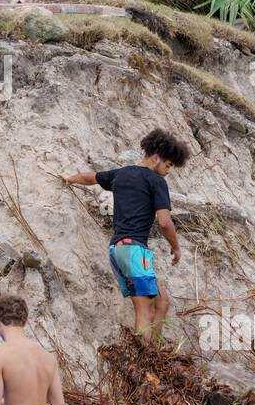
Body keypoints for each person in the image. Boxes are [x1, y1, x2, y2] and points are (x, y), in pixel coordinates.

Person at [61, 129, 189, 340]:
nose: (167, 172)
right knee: (144, 309)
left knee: (161, 302)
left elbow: (89, 177)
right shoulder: (157, 182)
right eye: (167, 165)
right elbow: (165, 222)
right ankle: (144, 363)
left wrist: (69, 179)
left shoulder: (120, 174)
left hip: (117, 250)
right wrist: (175, 247)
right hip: (134, 250)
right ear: (156, 157)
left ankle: (154, 353)